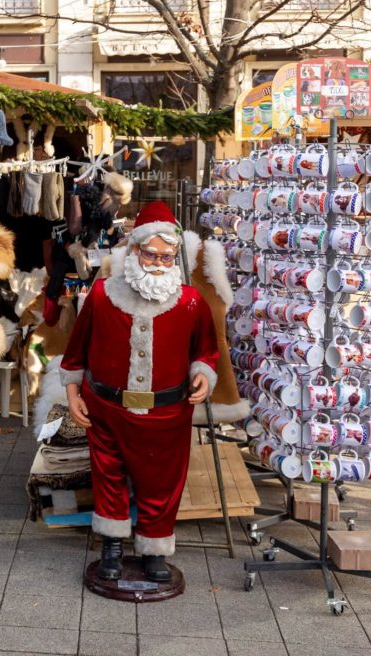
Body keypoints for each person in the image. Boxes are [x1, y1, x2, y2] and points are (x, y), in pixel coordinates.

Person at [60, 201, 218, 583]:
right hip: (106, 408)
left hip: (167, 414)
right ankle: (112, 545)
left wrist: (202, 373)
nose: (159, 263)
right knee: (108, 475)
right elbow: (76, 350)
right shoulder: (101, 295)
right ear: (134, 250)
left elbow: (206, 350)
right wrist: (72, 392)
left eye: (167, 257)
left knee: (162, 482)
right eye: (151, 254)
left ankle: (154, 548)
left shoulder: (191, 301)